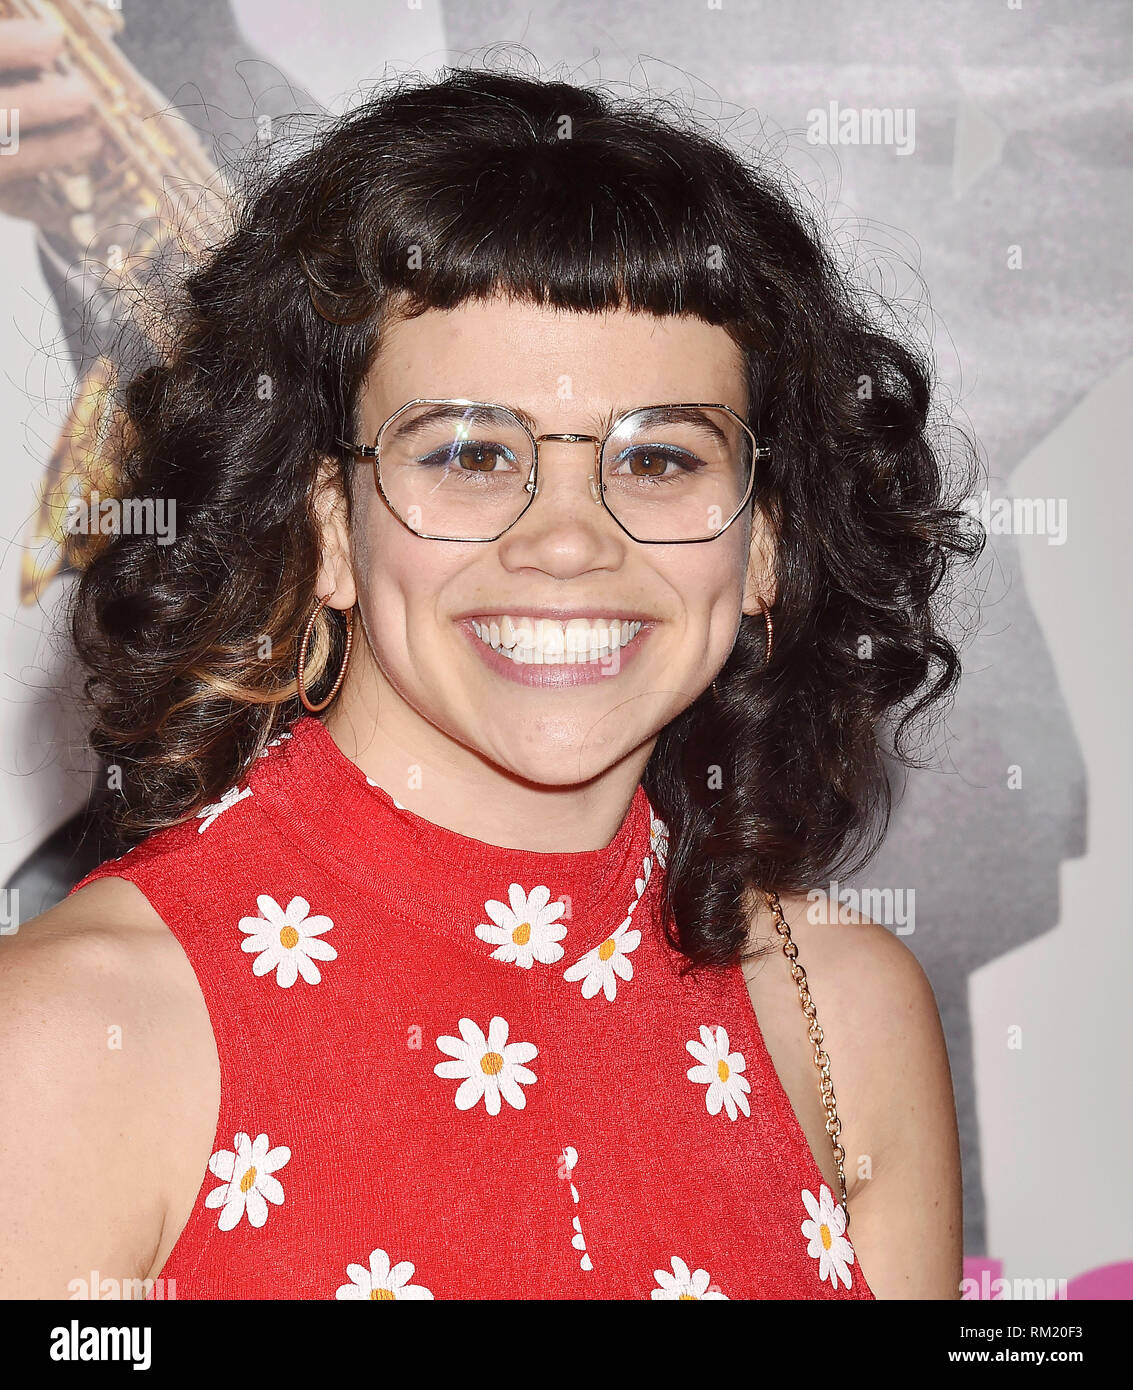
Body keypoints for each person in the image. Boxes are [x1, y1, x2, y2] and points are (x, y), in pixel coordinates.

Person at [0, 66, 975, 1300]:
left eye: (660, 457)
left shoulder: (845, 1013)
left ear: (763, 543)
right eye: (468, 452)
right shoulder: (69, 1036)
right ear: (331, 528)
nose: (567, 540)